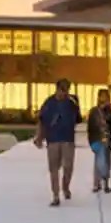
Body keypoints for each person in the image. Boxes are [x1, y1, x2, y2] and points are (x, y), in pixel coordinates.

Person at [35, 78, 83, 207]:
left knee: (68, 166)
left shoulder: (72, 103)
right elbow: (42, 121)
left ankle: (65, 187)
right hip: (53, 139)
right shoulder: (49, 103)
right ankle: (55, 195)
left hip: (68, 139)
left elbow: (78, 119)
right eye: (62, 89)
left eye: (66, 90)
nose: (64, 93)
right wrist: (39, 137)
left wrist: (76, 105)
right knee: (54, 168)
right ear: (57, 89)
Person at [88, 89, 111, 193]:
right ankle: (97, 183)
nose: (104, 99)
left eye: (106, 96)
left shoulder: (109, 111)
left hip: (107, 139)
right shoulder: (94, 111)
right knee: (99, 160)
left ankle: (106, 183)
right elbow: (91, 127)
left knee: (107, 160)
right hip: (97, 138)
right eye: (102, 96)